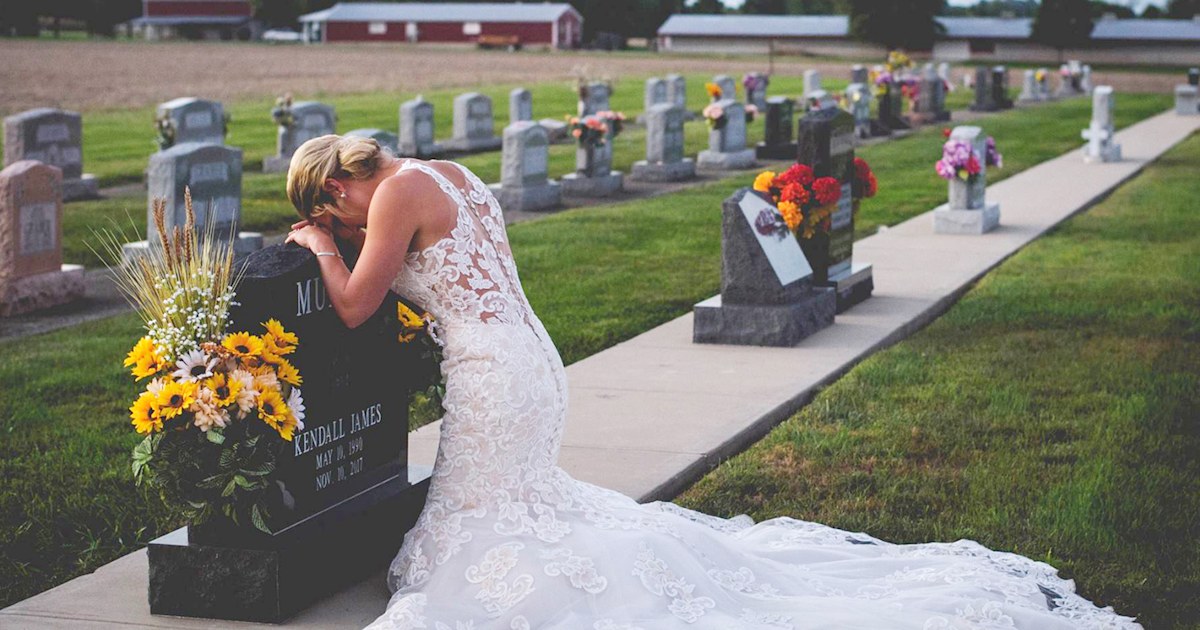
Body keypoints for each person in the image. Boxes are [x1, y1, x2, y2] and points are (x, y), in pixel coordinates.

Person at [285, 135, 1140, 630]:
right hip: (526, 353)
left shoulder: (392, 195)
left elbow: (358, 306)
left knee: (474, 538)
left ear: (334, 183)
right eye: (336, 227)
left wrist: (322, 252)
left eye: (336, 213)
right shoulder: (449, 173)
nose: (347, 226)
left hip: (493, 367)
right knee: (518, 502)